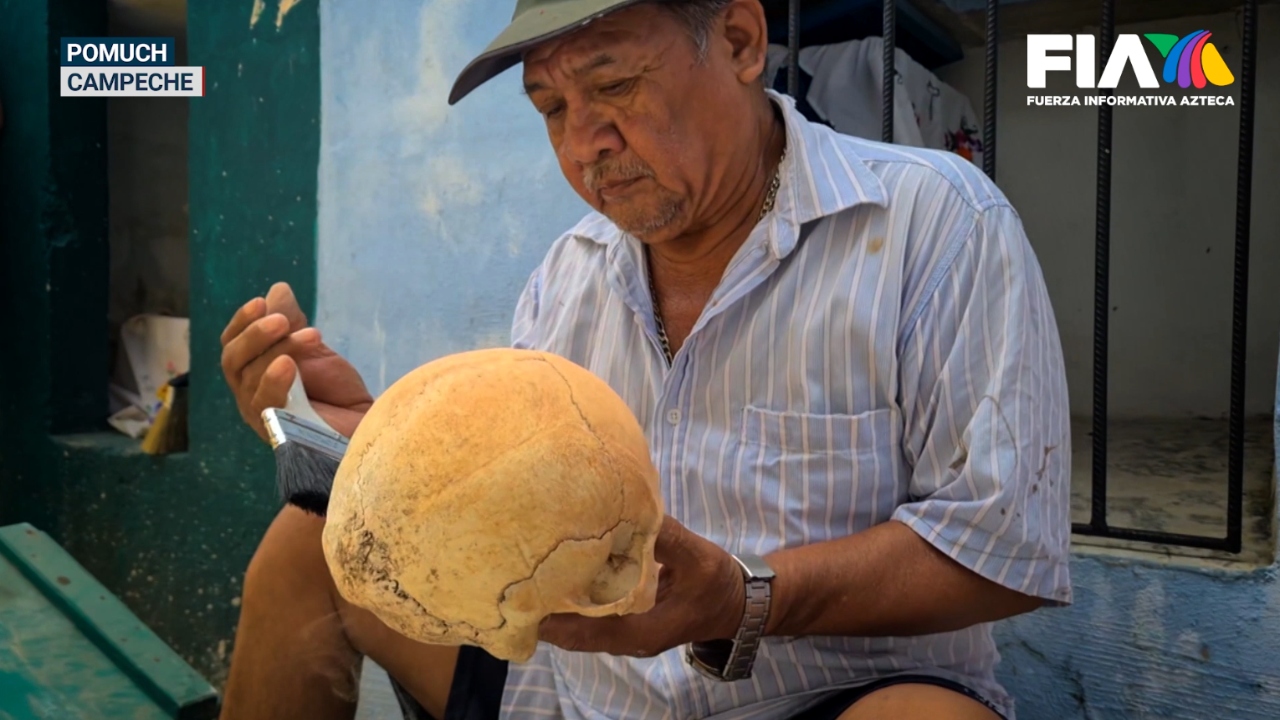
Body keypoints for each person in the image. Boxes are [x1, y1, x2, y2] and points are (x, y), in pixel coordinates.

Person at [217, 1, 1072, 718]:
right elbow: (508, 497)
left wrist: (743, 598)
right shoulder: (569, 275)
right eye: (551, 108)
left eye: (614, 85)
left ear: (740, 42)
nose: (584, 142)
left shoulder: (934, 223)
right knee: (311, 546)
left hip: (820, 701)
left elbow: (1001, 549)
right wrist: (369, 443)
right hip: (574, 694)